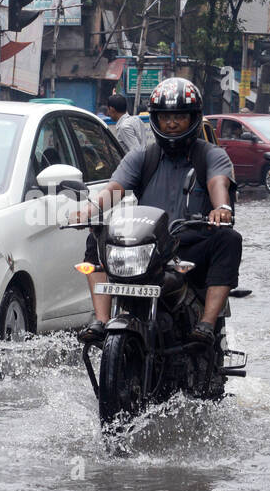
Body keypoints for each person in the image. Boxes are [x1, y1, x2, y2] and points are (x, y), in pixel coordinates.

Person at [71, 77, 240, 348]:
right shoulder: (143, 156)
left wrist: (221, 208)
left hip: (191, 243)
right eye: (165, 117)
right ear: (156, 119)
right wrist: (90, 210)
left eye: (179, 116)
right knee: (97, 236)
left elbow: (217, 182)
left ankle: (207, 323)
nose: (171, 123)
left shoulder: (211, 155)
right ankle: (101, 321)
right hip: (149, 245)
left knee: (230, 239)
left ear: (193, 118)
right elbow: (114, 188)